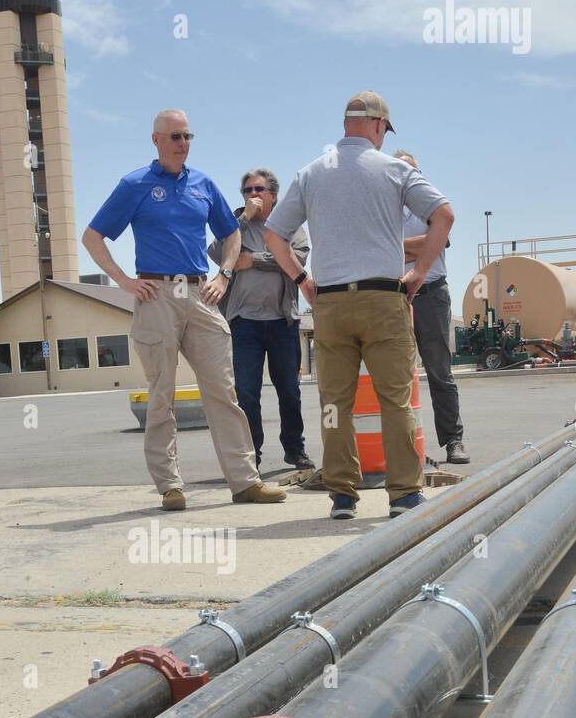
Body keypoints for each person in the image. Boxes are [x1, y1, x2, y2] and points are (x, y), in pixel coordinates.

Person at [81, 109, 285, 510]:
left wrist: (224, 274)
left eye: (187, 136)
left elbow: (229, 233)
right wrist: (123, 282)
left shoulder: (203, 184)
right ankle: (170, 486)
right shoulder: (134, 185)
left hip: (199, 293)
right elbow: (93, 236)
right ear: (156, 140)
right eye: (174, 136)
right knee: (162, 395)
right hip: (155, 294)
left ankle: (245, 481)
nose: (182, 143)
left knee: (224, 392)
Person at [264, 91, 454, 519]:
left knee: (335, 403)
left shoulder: (311, 173)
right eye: (385, 130)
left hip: (329, 303)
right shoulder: (393, 170)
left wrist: (302, 280)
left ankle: (343, 496)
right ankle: (404, 494)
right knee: (395, 400)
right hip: (384, 299)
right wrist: (420, 271)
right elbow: (444, 214)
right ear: (376, 124)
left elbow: (275, 235)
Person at [208, 168, 313, 470]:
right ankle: (251, 455)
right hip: (244, 323)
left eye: (259, 190)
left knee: (289, 393)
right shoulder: (234, 225)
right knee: (247, 394)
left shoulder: (288, 224)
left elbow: (297, 259)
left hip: (283, 322)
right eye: (247, 190)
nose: (253, 195)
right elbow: (216, 252)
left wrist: (251, 259)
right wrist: (240, 221)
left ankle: (295, 449)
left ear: (274, 195)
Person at [394, 151, 468, 464]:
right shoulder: (385, 211)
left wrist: (399, 248)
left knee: (440, 373)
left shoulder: (430, 207)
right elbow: (380, 251)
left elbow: (440, 240)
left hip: (432, 297)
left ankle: (453, 441)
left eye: (413, 171)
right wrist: (422, 246)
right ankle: (405, 447)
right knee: (395, 376)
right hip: (396, 297)